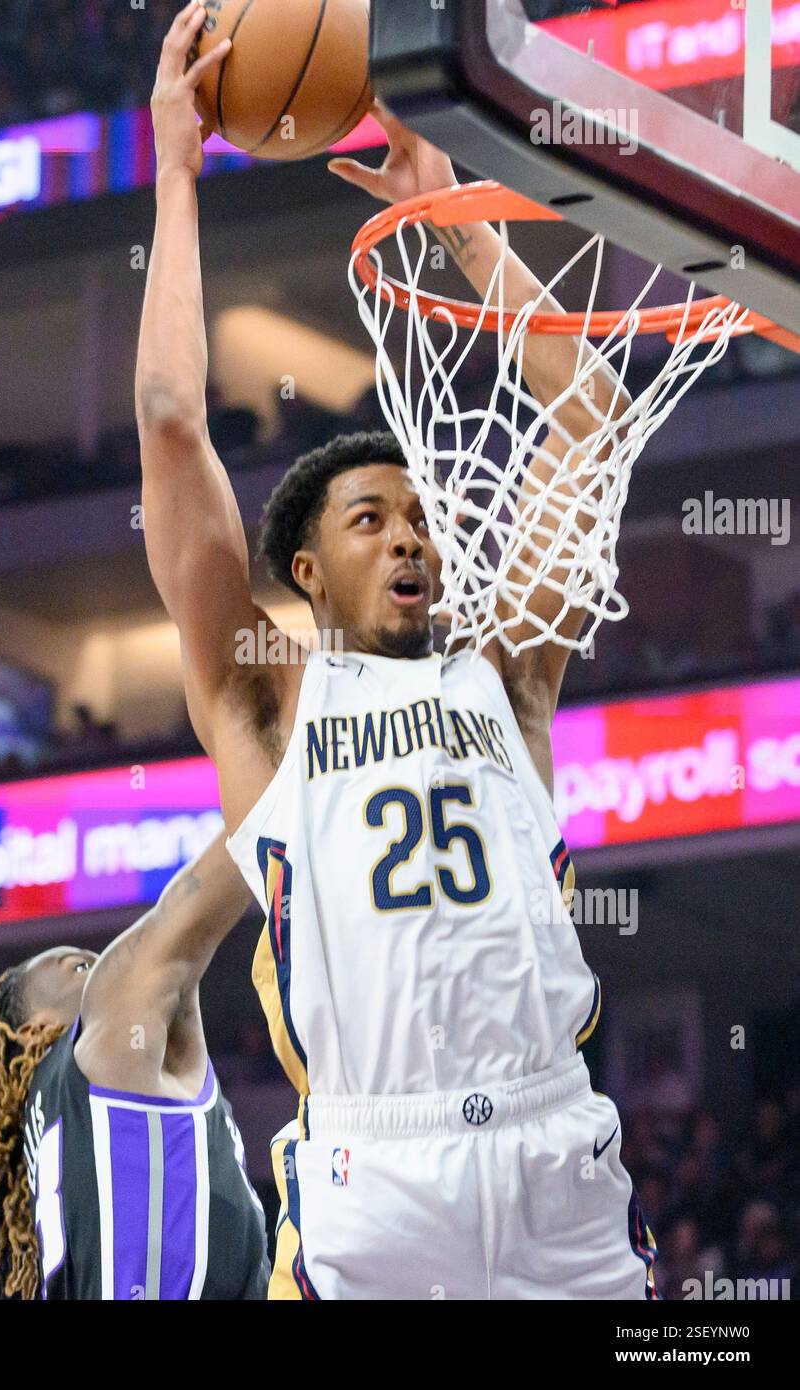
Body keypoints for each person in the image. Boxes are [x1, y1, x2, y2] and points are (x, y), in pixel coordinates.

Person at [135, 5, 657, 1300]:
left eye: (422, 515)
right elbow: (166, 418)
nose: (413, 537)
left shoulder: (505, 673)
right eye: (372, 520)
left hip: (556, 1150)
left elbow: (585, 422)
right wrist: (174, 172)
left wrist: (457, 216)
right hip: (378, 1167)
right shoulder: (265, 705)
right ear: (303, 571)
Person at [0, 833, 270, 1300]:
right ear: (33, 1030)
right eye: (78, 968)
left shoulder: (63, 1113)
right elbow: (238, 851)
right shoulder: (96, 1047)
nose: (101, 971)